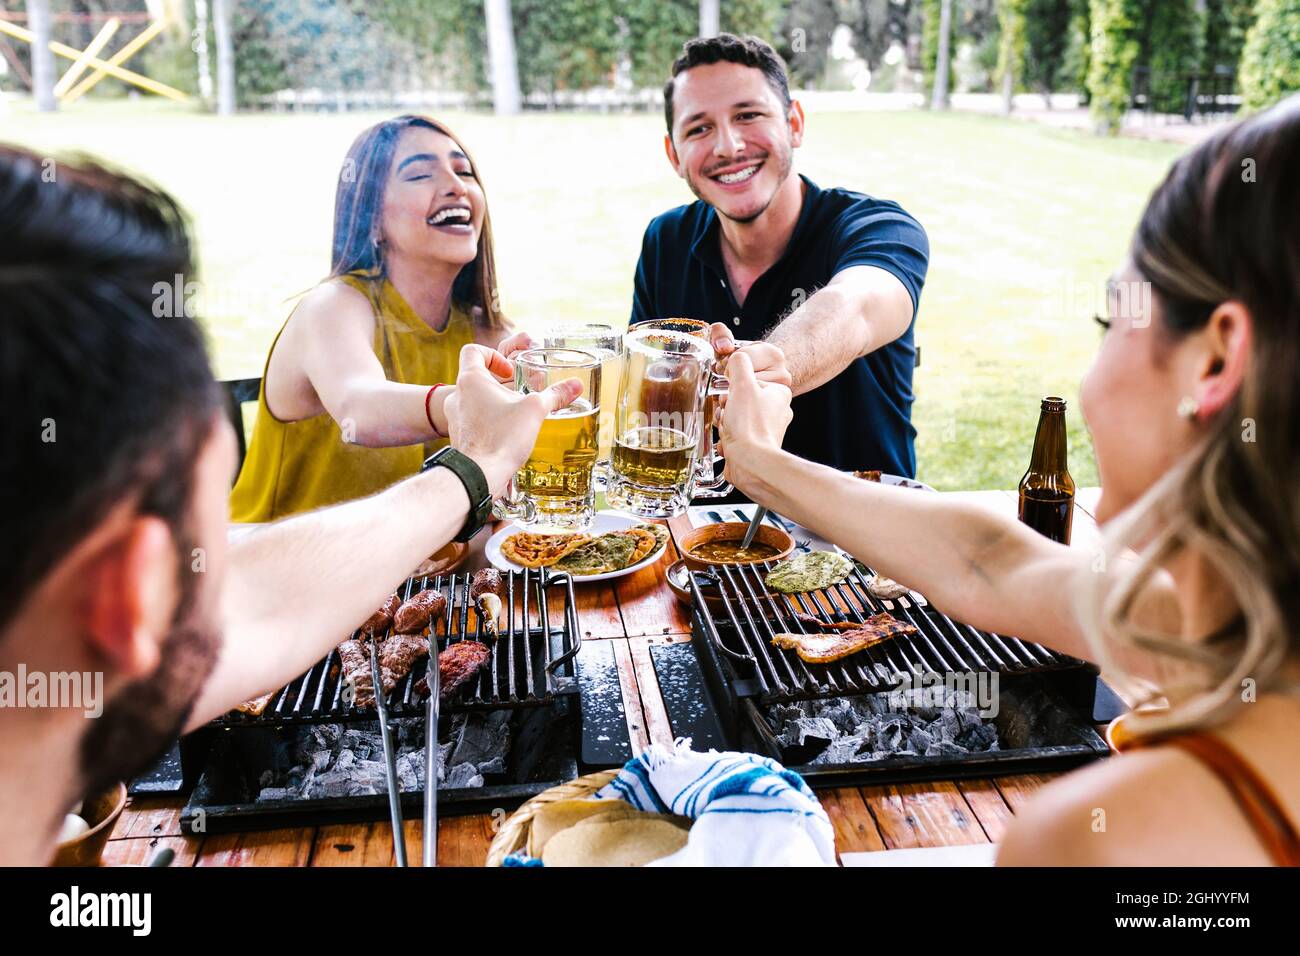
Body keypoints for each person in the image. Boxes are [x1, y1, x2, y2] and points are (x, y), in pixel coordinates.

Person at [717, 96, 1300, 865]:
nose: (1089, 385)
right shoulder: (1225, 621)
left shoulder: (1098, 842)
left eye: (1111, 324)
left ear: (1215, 361)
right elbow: (988, 562)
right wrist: (764, 468)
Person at [0, 147, 578, 867]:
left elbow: (253, 588)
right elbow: (354, 421)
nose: (453, 184)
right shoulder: (335, 305)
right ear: (126, 597)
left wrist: (487, 470)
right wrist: (473, 450)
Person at [633, 34, 929, 477]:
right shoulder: (665, 240)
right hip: (709, 536)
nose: (728, 147)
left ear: (794, 123)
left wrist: (753, 375)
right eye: (699, 128)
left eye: (748, 115)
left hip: (859, 531)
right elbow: (652, 406)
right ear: (674, 155)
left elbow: (856, 308)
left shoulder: (878, 227)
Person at [229, 114, 533, 521]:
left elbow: (495, 509)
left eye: (464, 171)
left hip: (408, 579)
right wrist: (463, 405)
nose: (456, 186)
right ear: (372, 218)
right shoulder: (333, 306)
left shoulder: (489, 335)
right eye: (421, 174)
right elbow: (360, 408)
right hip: (270, 574)